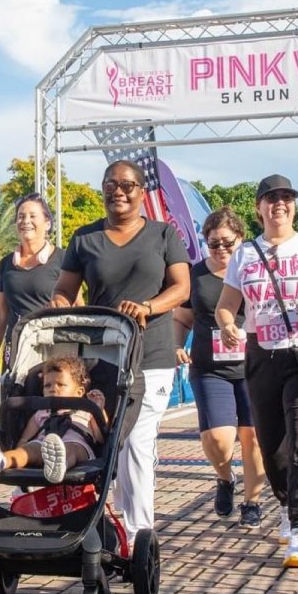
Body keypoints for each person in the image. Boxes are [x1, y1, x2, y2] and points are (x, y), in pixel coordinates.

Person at [50, 159, 191, 543]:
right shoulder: (85, 238)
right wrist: (62, 304)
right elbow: (64, 289)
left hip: (153, 355)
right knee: (109, 440)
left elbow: (181, 288)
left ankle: (138, 533)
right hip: (104, 356)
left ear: (141, 192)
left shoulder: (163, 235)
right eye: (110, 184)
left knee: (137, 441)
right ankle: (106, 524)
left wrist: (148, 307)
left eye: (127, 185)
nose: (119, 191)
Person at [214, 174, 298, 569]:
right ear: (259, 207)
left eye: (286, 198)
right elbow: (226, 305)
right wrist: (228, 324)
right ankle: (285, 503)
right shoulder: (245, 254)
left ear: (294, 206)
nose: (280, 204)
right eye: (271, 199)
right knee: (274, 448)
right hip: (261, 354)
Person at [173, 207, 266, 527]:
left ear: (241, 239)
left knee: (253, 438)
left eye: (228, 243)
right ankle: (225, 478)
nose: (222, 250)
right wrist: (176, 344)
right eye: (214, 244)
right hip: (209, 368)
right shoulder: (195, 275)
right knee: (219, 440)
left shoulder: (256, 270)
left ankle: (252, 502)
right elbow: (183, 318)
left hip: (255, 365)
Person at [0, 356, 107, 484]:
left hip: (77, 445)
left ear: (79, 392)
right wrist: (22, 450)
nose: (53, 389)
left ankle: (60, 465)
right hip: (44, 446)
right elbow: (25, 438)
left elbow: (100, 438)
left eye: (60, 384)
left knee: (71, 449)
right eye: (47, 385)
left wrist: (99, 410)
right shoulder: (41, 412)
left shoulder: (86, 410)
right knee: (29, 449)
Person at [0, 194, 66, 386]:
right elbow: (1, 313)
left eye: (32, 216)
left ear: (47, 223)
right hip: (16, 350)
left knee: (52, 408)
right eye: (20, 216)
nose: (25, 221)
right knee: (15, 407)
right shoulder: (6, 264)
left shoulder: (63, 259)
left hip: (53, 350)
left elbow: (77, 305)